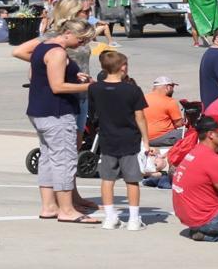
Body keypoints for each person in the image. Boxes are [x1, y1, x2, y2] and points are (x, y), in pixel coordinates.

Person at [19, 19, 98, 223]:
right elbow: (57, 86)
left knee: (47, 158)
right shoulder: (58, 52)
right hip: (56, 112)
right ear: (68, 33)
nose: (81, 44)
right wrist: (89, 87)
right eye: (81, 39)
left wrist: (75, 75)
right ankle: (67, 210)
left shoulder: (43, 47)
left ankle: (49, 206)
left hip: (39, 110)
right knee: (64, 159)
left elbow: (47, 75)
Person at [87, 50, 150, 231]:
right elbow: (140, 117)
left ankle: (110, 217)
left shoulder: (95, 88)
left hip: (107, 137)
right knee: (132, 180)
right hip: (129, 138)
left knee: (107, 178)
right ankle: (134, 219)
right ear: (123, 67)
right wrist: (146, 140)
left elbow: (93, 113)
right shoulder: (132, 90)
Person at [144, 75, 187, 147]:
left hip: (144, 138)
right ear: (167, 87)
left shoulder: (143, 98)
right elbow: (178, 124)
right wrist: (185, 120)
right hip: (161, 138)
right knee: (191, 133)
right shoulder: (170, 101)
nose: (173, 90)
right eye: (172, 87)